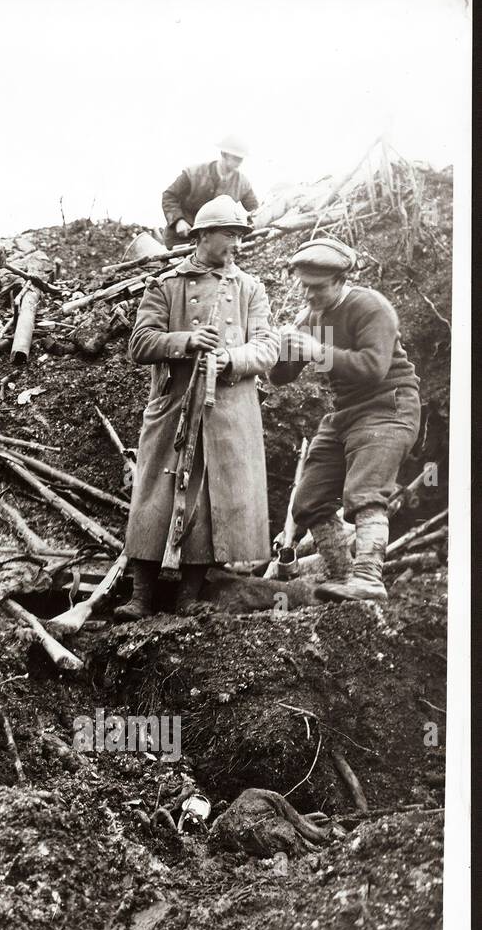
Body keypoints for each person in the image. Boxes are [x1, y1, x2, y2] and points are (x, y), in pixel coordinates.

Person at [115, 195, 279, 619]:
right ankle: (141, 596)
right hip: (175, 407)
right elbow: (139, 344)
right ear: (203, 235)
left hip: (228, 410)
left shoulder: (250, 289)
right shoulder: (166, 285)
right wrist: (185, 341)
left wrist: (230, 359)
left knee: (211, 500)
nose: (237, 244)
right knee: (155, 495)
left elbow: (268, 347)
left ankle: (189, 595)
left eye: (240, 236)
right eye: (229, 234)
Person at [267, 237, 421, 601]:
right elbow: (281, 377)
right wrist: (280, 346)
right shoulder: (311, 318)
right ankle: (343, 576)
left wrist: (317, 350)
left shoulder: (369, 307)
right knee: (308, 500)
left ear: (340, 281)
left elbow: (373, 367)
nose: (308, 294)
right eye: (304, 285)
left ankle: (368, 578)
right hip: (346, 415)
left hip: (389, 406)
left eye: (317, 287)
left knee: (365, 491)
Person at [161, 136, 259, 250]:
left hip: (214, 243)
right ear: (224, 154)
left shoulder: (242, 183)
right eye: (236, 158)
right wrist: (178, 221)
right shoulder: (194, 173)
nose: (239, 162)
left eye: (241, 159)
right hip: (182, 238)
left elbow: (254, 208)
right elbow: (169, 196)